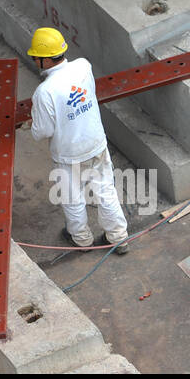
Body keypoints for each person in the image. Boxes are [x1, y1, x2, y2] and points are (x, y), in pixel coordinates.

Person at [26, 27, 130, 254]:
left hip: (68, 154)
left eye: (35, 57)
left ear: (44, 59)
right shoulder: (84, 66)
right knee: (106, 191)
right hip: (96, 144)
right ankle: (118, 237)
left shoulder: (45, 92)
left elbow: (42, 131)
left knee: (72, 197)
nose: (34, 60)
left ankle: (82, 240)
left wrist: (32, 123)